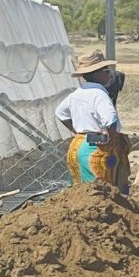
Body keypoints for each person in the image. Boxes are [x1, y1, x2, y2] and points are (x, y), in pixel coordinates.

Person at [56, 50, 131, 194]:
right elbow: (110, 120)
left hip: (78, 147)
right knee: (104, 193)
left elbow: (60, 112)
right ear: (97, 74)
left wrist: (76, 130)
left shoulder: (76, 94)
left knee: (81, 193)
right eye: (106, 70)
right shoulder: (100, 95)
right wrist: (108, 137)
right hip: (97, 151)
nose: (109, 74)